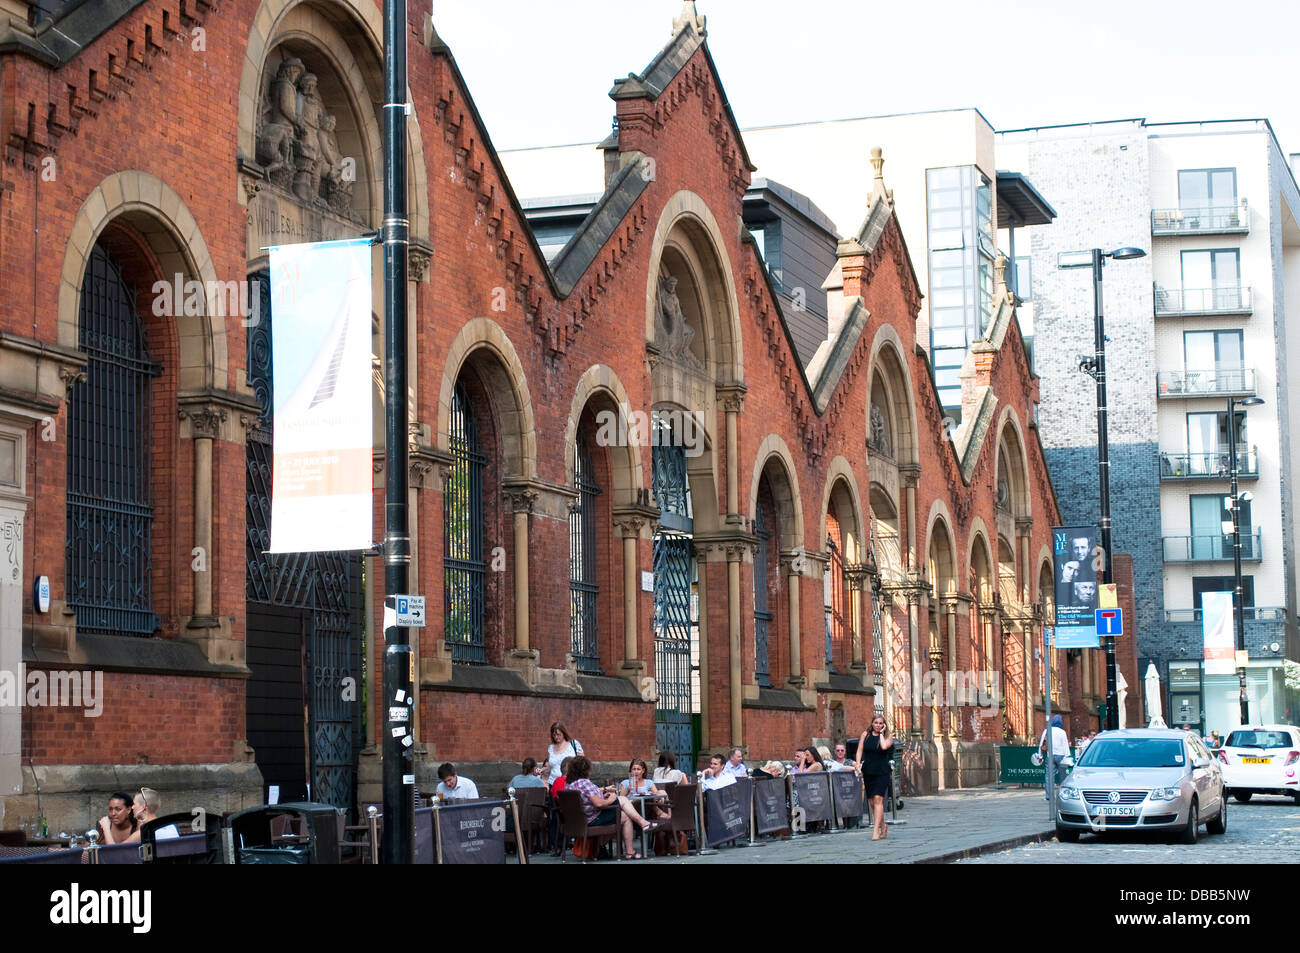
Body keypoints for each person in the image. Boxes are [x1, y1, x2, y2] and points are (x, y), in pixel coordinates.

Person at [565, 756, 657, 860]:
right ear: (585, 769)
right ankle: (642, 825)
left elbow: (586, 800)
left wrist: (603, 796)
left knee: (625, 815)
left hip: (580, 820)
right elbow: (599, 804)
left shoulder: (569, 784)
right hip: (592, 819)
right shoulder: (584, 782)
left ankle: (632, 846)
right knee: (622, 800)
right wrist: (612, 799)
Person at [856, 716, 894, 839]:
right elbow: (860, 750)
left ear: (884, 725)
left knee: (878, 799)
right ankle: (883, 825)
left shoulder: (889, 737)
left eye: (881, 723)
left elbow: (883, 746)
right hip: (868, 770)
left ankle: (875, 831)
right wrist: (858, 764)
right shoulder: (865, 734)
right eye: (876, 723)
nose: (878, 725)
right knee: (872, 801)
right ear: (872, 723)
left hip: (882, 771)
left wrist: (882, 733)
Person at [1038, 715, 1070, 798]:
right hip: (1061, 755)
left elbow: (1042, 743)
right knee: (1063, 776)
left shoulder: (1047, 730)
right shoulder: (1062, 732)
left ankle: (1049, 796)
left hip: (1050, 755)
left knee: (1049, 776)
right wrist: (1067, 756)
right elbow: (1065, 745)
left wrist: (1040, 756)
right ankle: (1063, 795)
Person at [544, 721, 583, 786]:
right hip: (553, 783)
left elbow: (582, 764)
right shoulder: (551, 747)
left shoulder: (574, 744)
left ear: (563, 733)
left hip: (570, 783)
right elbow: (549, 767)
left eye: (558, 734)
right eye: (554, 735)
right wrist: (541, 770)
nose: (556, 737)